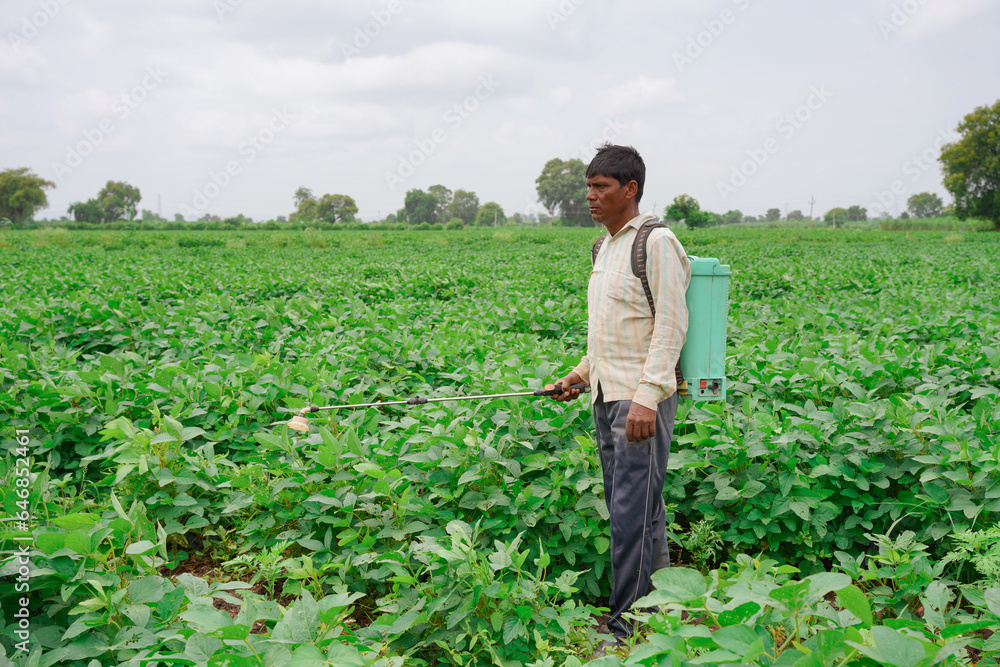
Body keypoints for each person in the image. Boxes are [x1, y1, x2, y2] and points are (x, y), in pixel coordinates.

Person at [547, 143, 691, 645]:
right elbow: (614, 329)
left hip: (639, 401)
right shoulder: (606, 247)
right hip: (608, 395)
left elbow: (671, 324)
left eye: (601, 186)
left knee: (631, 515)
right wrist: (579, 374)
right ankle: (661, 608)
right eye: (588, 186)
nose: (590, 196)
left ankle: (625, 626)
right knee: (639, 508)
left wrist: (649, 397)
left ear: (630, 189)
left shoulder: (656, 242)